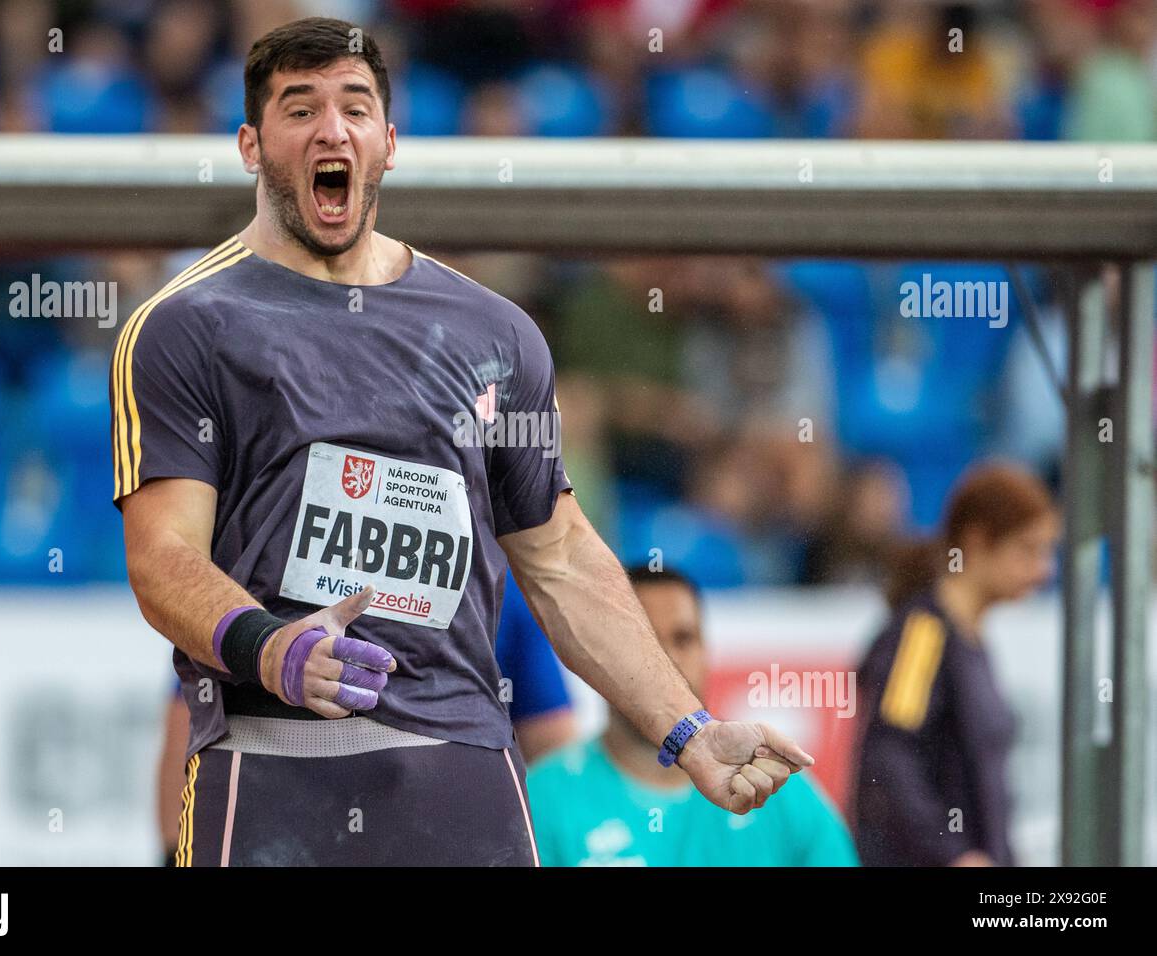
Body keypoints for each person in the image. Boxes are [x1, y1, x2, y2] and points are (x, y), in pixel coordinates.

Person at [111, 16, 812, 866]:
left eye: (355, 108)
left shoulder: (495, 334)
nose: (332, 129)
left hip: (464, 773)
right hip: (272, 765)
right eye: (301, 109)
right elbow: (161, 560)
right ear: (252, 146)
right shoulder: (185, 328)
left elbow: (557, 556)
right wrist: (273, 647)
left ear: (390, 142)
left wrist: (688, 731)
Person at [153, 568, 576, 863]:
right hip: (285, 828)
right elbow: (192, 720)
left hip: (440, 836)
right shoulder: (259, 584)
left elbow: (553, 747)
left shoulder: (497, 590)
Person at [528, 566, 857, 866]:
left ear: (707, 652)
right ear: (602, 658)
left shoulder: (779, 790)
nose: (667, 659)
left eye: (683, 638)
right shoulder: (542, 800)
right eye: (647, 642)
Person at [850, 462, 1060, 866]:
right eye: (1028, 549)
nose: (1043, 570)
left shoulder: (968, 636)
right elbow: (889, 754)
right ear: (978, 541)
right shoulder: (923, 633)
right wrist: (949, 854)